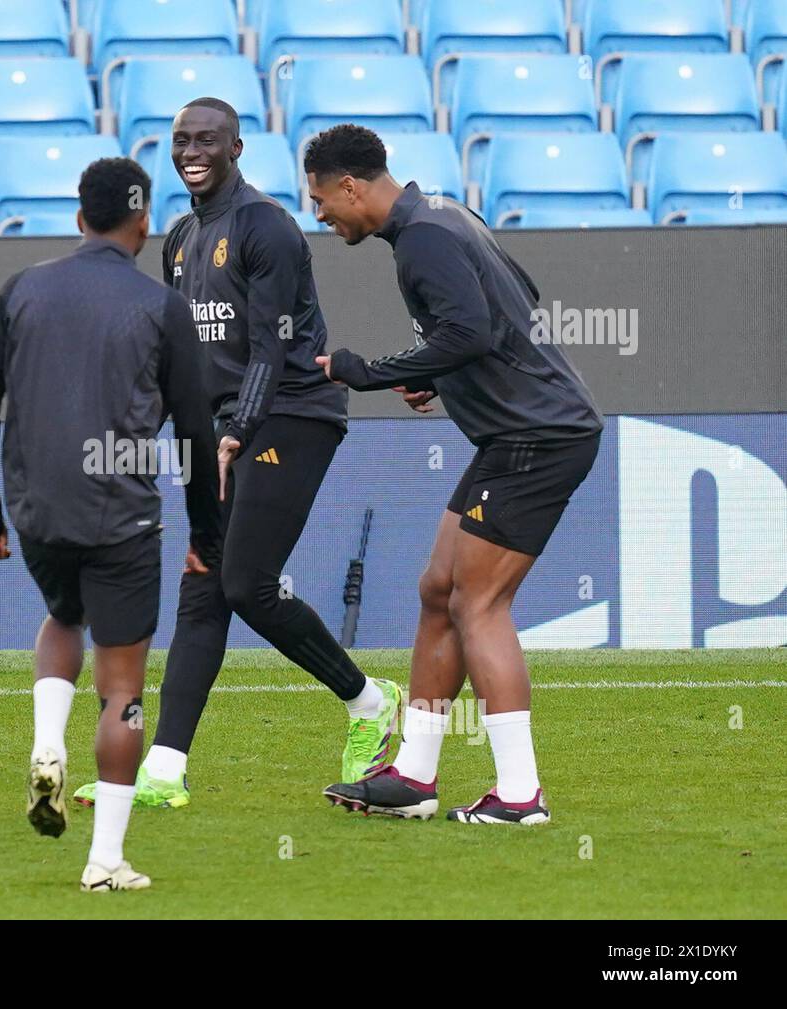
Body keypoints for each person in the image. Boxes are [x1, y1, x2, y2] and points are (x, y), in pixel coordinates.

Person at [74, 99, 400, 810]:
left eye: (207, 140)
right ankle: (163, 769)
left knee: (245, 582)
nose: (192, 151)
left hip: (293, 414)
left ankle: (370, 702)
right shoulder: (183, 237)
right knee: (202, 590)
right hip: (224, 428)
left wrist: (236, 429)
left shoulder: (267, 228)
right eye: (181, 140)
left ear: (237, 148)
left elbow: (272, 344)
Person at [306, 124, 603, 824]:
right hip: (514, 434)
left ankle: (519, 794)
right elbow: (507, 304)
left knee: (478, 604)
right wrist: (436, 372)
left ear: (352, 186)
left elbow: (470, 331)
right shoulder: (446, 213)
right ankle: (414, 775)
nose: (319, 214)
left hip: (539, 436)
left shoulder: (423, 239)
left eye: (321, 199)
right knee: (439, 588)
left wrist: (373, 372)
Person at [0, 157, 221, 889]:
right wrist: (208, 534)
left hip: (37, 508)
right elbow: (196, 432)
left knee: (61, 613)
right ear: (143, 223)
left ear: (80, 218)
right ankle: (105, 859)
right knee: (124, 685)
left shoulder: (19, 291)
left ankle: (48, 742)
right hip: (123, 518)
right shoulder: (162, 305)